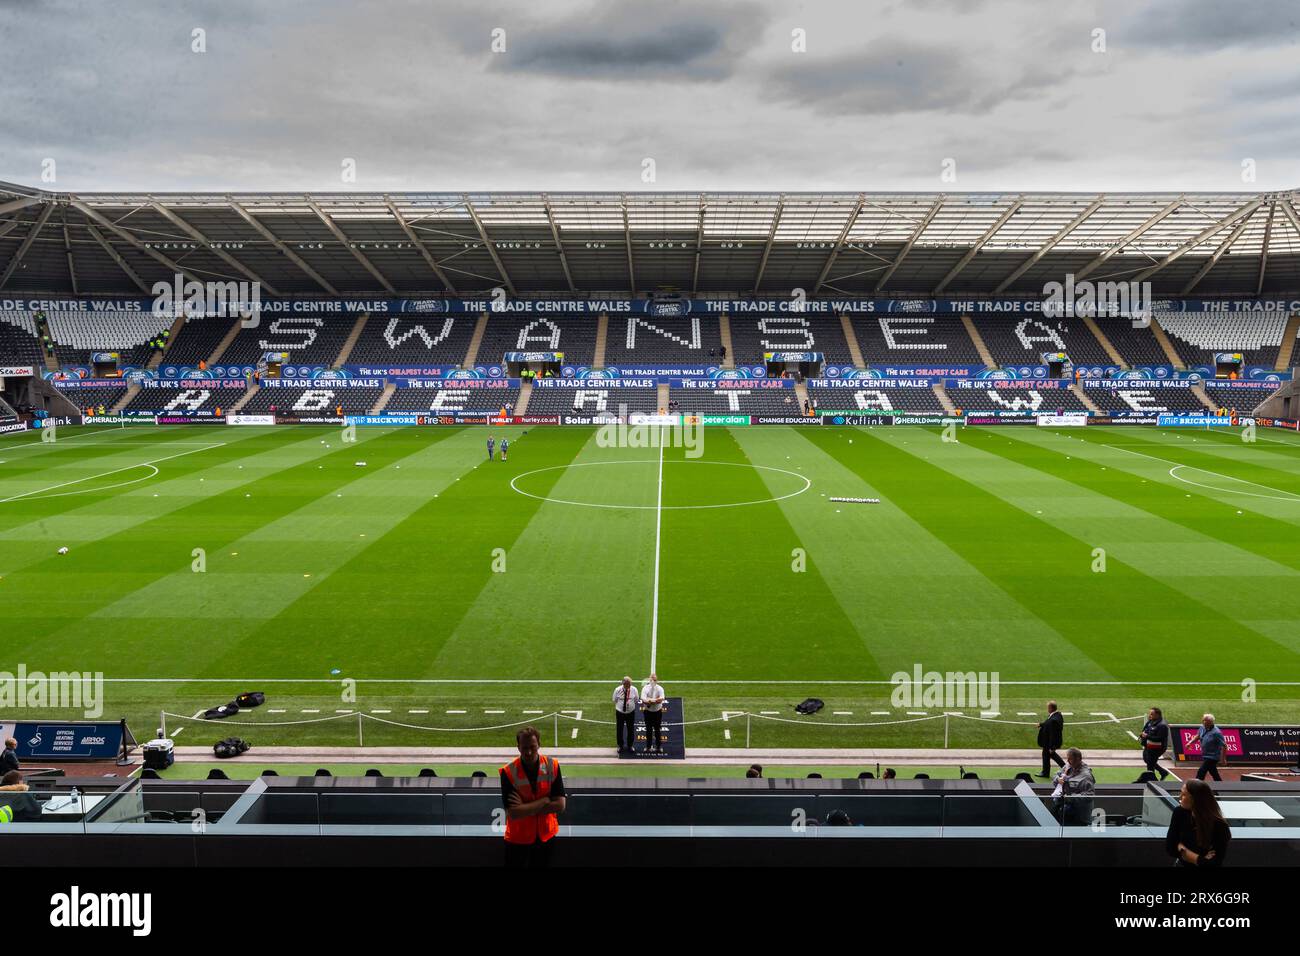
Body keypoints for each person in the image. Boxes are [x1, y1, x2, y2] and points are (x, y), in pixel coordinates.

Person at [500, 726, 566, 868]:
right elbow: (513, 813)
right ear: (518, 747)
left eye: (533, 747)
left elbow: (560, 805)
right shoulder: (508, 771)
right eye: (524, 748)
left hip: (545, 838)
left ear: (539, 745)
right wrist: (544, 801)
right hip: (517, 839)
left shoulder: (552, 766)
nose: (529, 752)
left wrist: (525, 808)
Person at [1166, 779, 1230, 867]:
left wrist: (1182, 849)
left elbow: (1213, 864)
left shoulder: (1219, 826)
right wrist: (1200, 858)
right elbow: (1170, 847)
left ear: (1195, 799)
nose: (1180, 797)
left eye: (1184, 794)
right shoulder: (1179, 812)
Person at [1052, 748, 1096, 825]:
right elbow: (1056, 776)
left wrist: (1069, 798)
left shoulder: (1086, 776)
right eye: (1067, 758)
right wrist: (1058, 779)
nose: (1068, 761)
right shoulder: (1068, 766)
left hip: (1079, 816)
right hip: (1064, 809)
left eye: (1070, 759)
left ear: (1078, 759)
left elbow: (1089, 796)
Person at [1139, 707, 1170, 780]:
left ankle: (1152, 781)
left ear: (1158, 715)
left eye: (1152, 714)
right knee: (1147, 760)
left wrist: (1147, 736)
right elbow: (1144, 730)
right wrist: (1142, 734)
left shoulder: (1162, 725)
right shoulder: (1150, 721)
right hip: (1148, 746)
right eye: (1150, 714)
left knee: (1150, 765)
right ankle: (1162, 772)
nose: (1150, 715)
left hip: (1157, 748)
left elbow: (1160, 738)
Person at [1036, 701, 1064, 778]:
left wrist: (1052, 747)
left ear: (1051, 708)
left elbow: (1053, 734)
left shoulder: (1053, 720)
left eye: (1048, 707)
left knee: (1050, 755)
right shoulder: (1057, 715)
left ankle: (1065, 768)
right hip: (1049, 743)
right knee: (1049, 756)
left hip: (1049, 743)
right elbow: (1048, 723)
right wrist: (1041, 724)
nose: (1047, 709)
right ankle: (1046, 772)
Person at [641, 673, 667, 754]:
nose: (653, 681)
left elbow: (662, 698)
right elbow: (643, 698)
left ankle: (658, 747)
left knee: (657, 730)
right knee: (648, 730)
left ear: (657, 680)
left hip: (657, 712)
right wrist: (655, 700)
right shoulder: (645, 688)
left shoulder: (660, 688)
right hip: (648, 712)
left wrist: (650, 701)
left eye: (655, 680)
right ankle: (648, 747)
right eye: (652, 680)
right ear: (649, 680)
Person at [612, 676, 639, 753]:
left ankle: (630, 746)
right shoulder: (617, 690)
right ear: (623, 684)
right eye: (627, 685)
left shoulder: (634, 689)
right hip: (620, 712)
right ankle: (620, 746)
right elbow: (614, 699)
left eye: (629, 685)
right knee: (619, 729)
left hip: (630, 712)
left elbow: (636, 699)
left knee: (630, 729)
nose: (628, 686)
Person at [1195, 713, 1225, 781]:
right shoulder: (1202, 727)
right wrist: (1190, 742)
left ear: (1211, 722)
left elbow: (1224, 746)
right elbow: (1199, 735)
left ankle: (1195, 787)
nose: (1204, 722)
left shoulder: (1217, 733)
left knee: (1201, 772)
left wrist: (1223, 759)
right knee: (1214, 772)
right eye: (1203, 720)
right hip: (1205, 755)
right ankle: (1221, 785)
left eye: (1206, 721)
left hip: (1212, 757)